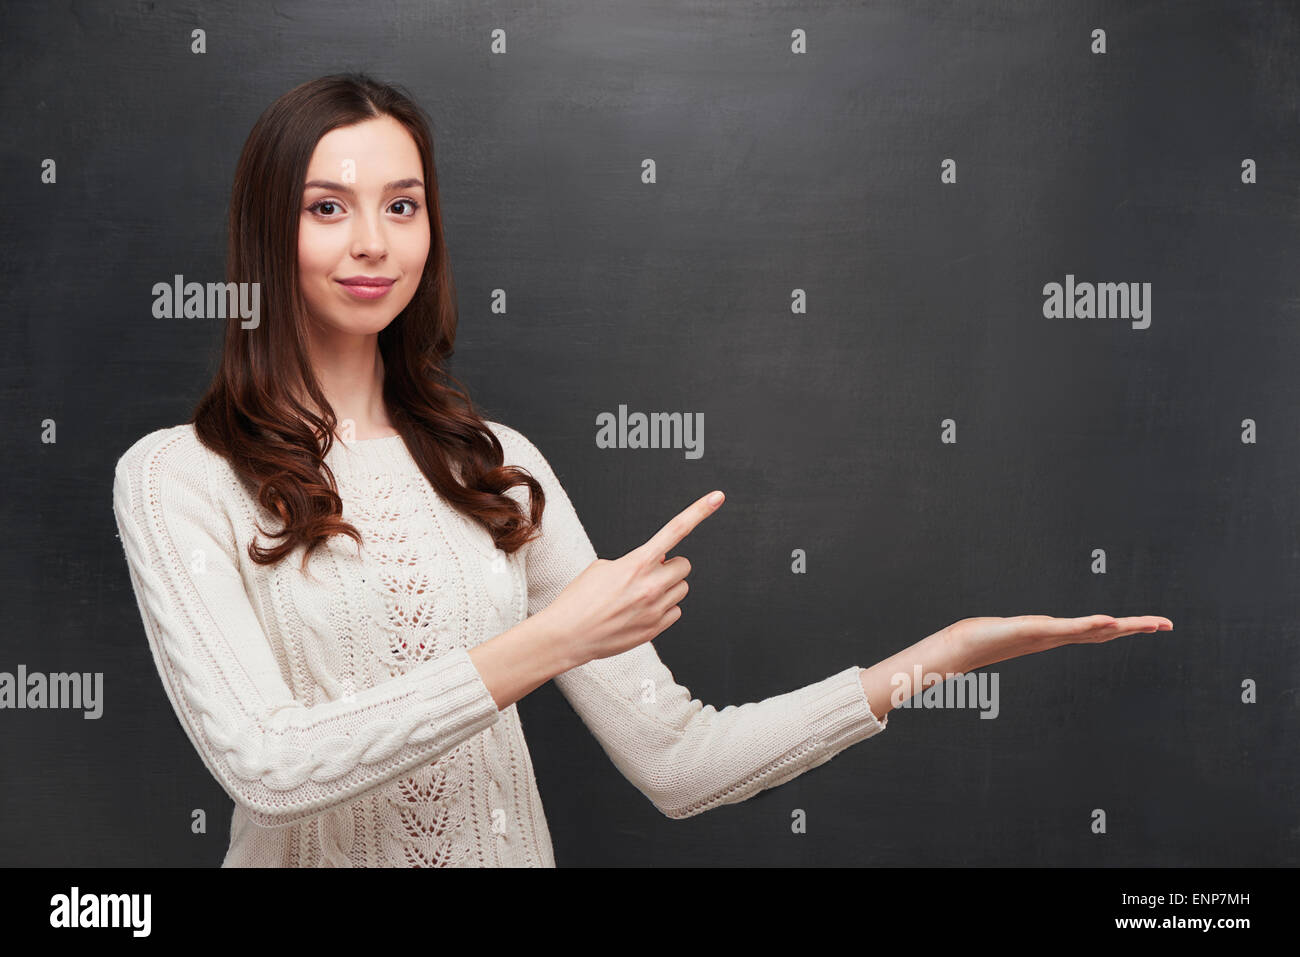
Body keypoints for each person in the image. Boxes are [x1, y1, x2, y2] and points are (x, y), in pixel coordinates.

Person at [111, 73, 1172, 867]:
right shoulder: (177, 480)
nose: (373, 242)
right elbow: (265, 765)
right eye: (326, 206)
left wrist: (927, 661)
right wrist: (548, 641)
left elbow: (678, 761)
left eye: (404, 203)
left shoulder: (497, 470)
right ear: (268, 229)